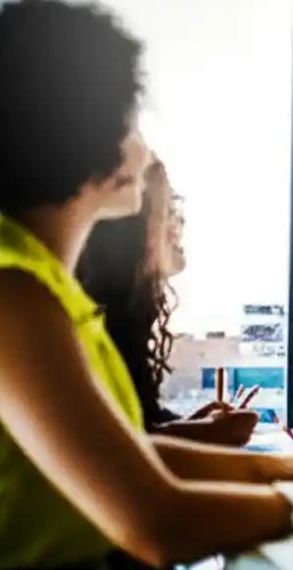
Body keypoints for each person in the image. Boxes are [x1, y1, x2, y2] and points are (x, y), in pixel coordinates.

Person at [0, 0, 293, 568]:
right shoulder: (5, 297)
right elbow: (155, 523)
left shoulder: (26, 276)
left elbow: (127, 455)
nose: (144, 152)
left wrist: (287, 466)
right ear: (86, 141)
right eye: (131, 124)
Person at [77, 159, 260, 447]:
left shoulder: (125, 318)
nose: (180, 224)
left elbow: (131, 428)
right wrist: (205, 435)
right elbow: (105, 451)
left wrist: (188, 427)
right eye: (169, 211)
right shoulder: (94, 326)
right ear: (132, 233)